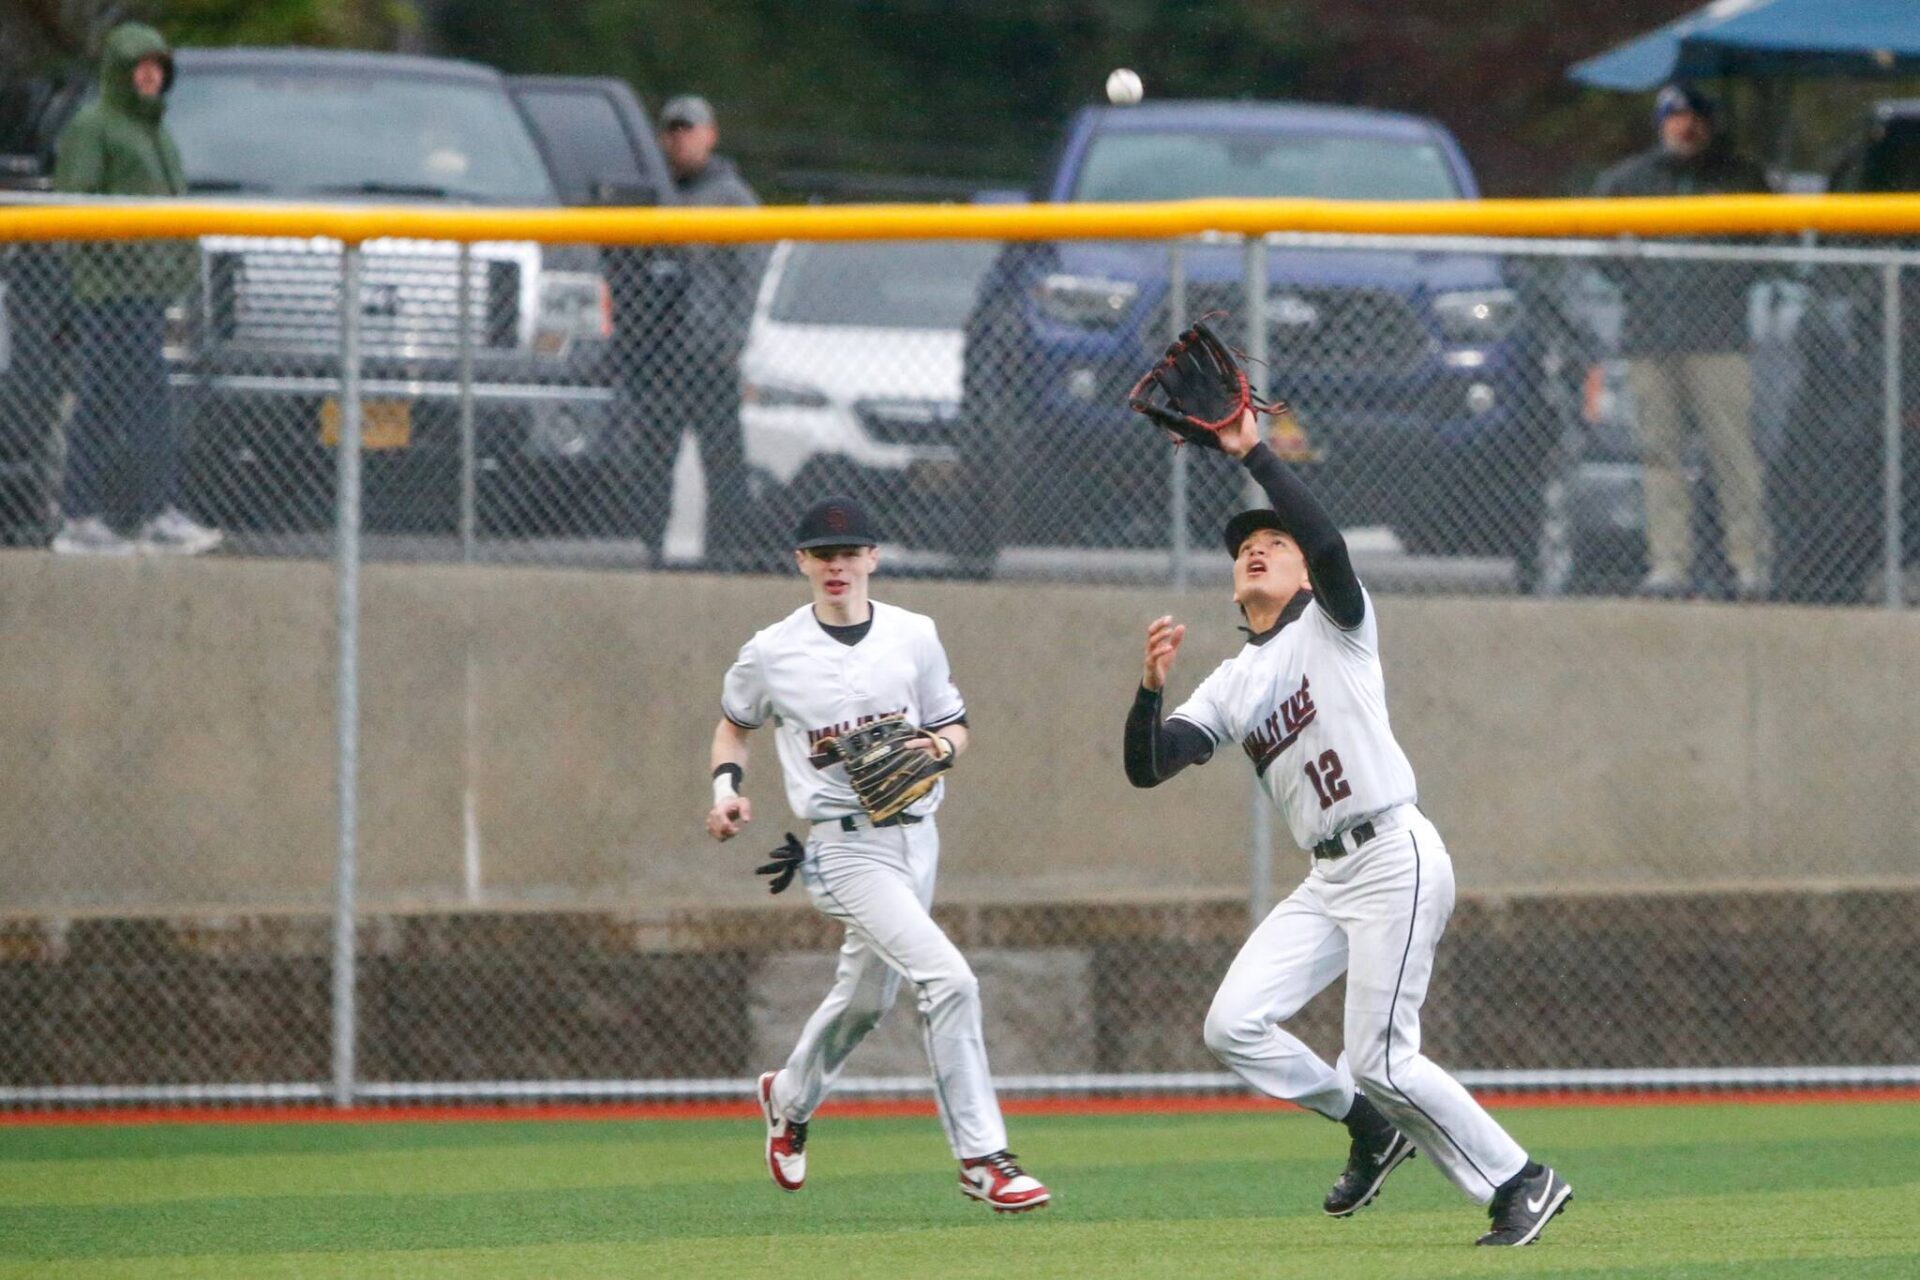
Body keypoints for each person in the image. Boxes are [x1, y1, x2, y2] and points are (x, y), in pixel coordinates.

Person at [1122, 410, 1571, 1246]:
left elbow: (1329, 547)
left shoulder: (1336, 625)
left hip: (1392, 855)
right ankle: (1372, 1127)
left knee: (1385, 1056)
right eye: (1244, 546)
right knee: (1234, 1025)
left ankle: (1520, 1180)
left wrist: (1252, 451)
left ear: (1300, 572)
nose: (1257, 547)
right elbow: (1149, 765)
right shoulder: (1231, 681)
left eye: (1275, 542)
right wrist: (1149, 689)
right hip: (1329, 879)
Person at [705, 495, 1049, 1214]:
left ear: (873, 558)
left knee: (865, 1000)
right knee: (950, 980)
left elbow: (955, 727)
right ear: (800, 562)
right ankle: (985, 1160)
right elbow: (733, 727)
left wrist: (937, 749)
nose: (836, 564)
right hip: (842, 849)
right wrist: (726, 789)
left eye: (849, 552)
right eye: (822, 554)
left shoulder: (914, 634)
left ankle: (790, 1096)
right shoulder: (772, 650)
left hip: (917, 834)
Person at [1593, 83, 1771, 599]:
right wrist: (1640, 281)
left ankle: (1749, 564)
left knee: (1734, 452)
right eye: (1675, 116)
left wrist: (1717, 284)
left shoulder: (1740, 178)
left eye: (1695, 116)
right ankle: (1669, 564)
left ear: (1710, 123)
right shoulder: (1629, 181)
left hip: (1719, 338)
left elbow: (1766, 248)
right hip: (1651, 336)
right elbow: (1600, 252)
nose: (1685, 125)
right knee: (1658, 455)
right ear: (1660, 122)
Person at [50, 22, 220, 556]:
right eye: (139, 66)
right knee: (133, 399)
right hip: (111, 293)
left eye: (157, 67)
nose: (149, 76)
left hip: (148, 292)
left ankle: (105, 517)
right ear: (119, 71)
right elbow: (72, 207)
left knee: (120, 398)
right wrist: (123, 257)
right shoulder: (94, 126)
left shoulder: (155, 131)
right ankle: (131, 516)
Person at [637, 93, 764, 569]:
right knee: (653, 461)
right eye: (672, 129)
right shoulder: (653, 193)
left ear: (710, 135)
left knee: (723, 462)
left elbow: (748, 279)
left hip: (709, 356)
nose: (679, 138)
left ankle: (726, 556)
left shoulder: (732, 198)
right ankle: (649, 550)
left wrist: (730, 344)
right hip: (661, 356)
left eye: (689, 128)